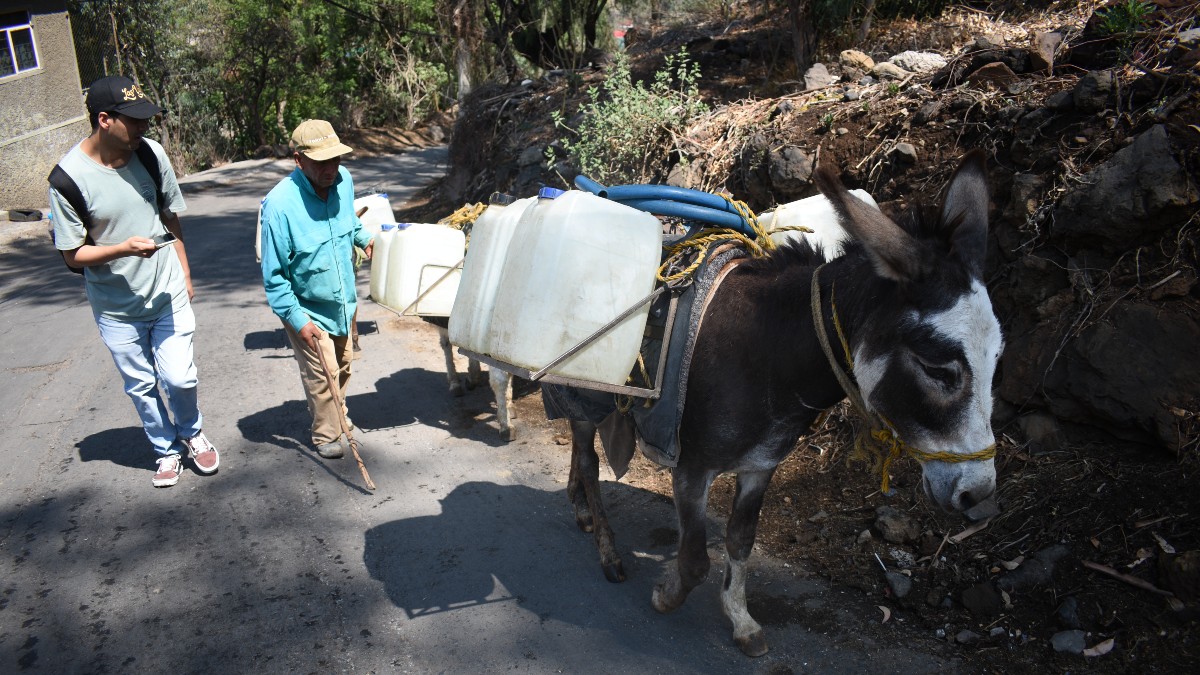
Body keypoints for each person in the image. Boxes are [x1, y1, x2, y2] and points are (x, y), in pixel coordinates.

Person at [48, 75, 219, 488]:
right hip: (115, 307)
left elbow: (170, 217)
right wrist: (122, 248)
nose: (144, 127)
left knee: (180, 376)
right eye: (134, 120)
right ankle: (166, 449)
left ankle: (191, 431)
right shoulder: (67, 181)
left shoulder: (150, 154)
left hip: (167, 290)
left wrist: (186, 273)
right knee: (141, 386)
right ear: (104, 119)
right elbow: (73, 255)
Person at [260, 119, 374, 459]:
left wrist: (365, 239)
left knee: (343, 364)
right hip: (306, 307)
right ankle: (326, 434)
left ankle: (340, 418)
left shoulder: (344, 181)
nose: (331, 169)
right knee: (321, 374)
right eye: (321, 162)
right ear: (299, 160)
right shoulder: (279, 206)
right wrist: (298, 319)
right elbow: (274, 275)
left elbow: (350, 222)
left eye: (335, 159)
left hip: (342, 301)